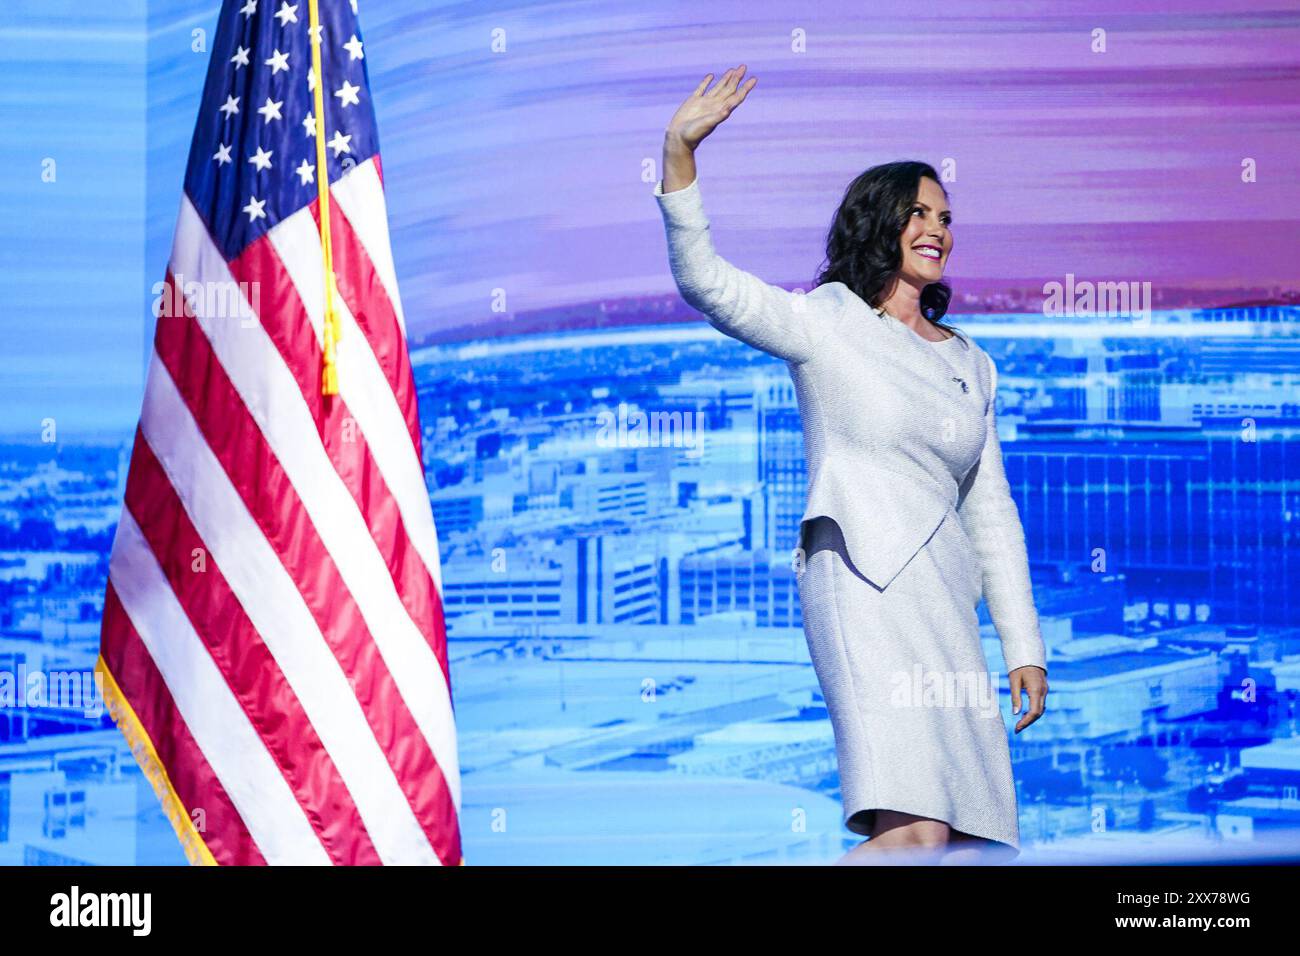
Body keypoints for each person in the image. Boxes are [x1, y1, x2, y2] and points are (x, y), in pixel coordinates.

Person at [653, 65, 1049, 864]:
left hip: (946, 605)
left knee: (970, 841)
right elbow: (709, 286)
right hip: (862, 587)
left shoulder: (973, 363)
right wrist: (679, 155)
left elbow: (992, 514)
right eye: (917, 213)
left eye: (945, 215)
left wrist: (1024, 646)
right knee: (914, 829)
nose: (936, 227)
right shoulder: (827, 323)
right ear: (881, 225)